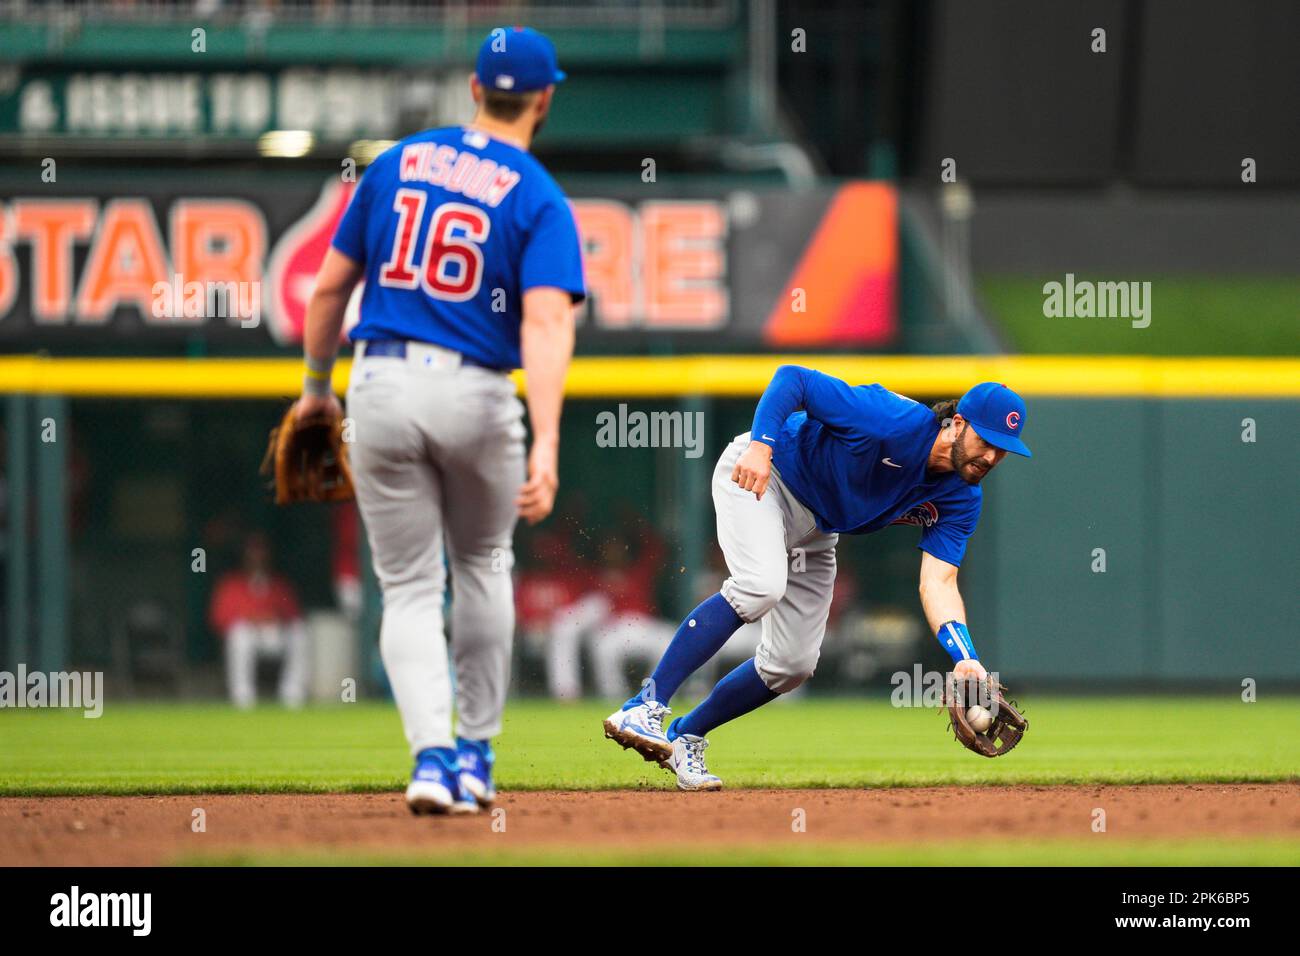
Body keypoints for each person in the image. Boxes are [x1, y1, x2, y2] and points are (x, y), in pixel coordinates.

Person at [294, 26, 584, 814]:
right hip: (477, 393)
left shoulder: (395, 163)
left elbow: (326, 293)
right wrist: (549, 439)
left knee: (410, 589)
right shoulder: (537, 194)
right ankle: (478, 759)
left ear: (472, 88)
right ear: (545, 96)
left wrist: (317, 390)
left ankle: (431, 761)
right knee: (485, 564)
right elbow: (548, 324)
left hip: (379, 381)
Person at [604, 369, 1032, 789]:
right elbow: (793, 380)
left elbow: (938, 582)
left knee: (791, 664)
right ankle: (644, 705)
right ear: (958, 424)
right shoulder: (891, 419)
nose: (991, 457)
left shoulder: (961, 497)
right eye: (987, 441)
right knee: (761, 585)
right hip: (765, 478)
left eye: (1003, 450)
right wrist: (760, 445)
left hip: (817, 527)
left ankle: (686, 736)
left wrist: (965, 657)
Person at [209, 532, 309, 709]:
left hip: (275, 636)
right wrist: (250, 618)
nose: (257, 559)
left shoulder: (279, 584)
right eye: (253, 554)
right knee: (239, 634)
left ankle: (293, 693)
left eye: (261, 554)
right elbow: (219, 619)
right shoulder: (231, 583)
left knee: (299, 632)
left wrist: (275, 617)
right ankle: (242, 695)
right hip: (249, 637)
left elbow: (294, 614)